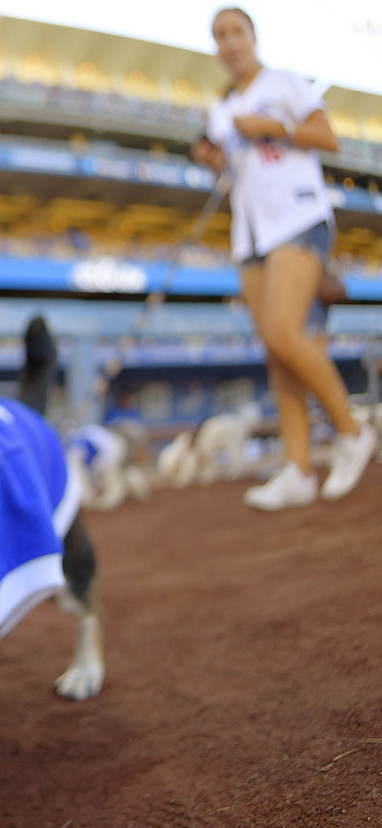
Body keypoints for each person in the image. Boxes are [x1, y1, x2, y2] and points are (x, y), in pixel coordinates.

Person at [191, 7, 375, 511]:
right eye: (219, 35)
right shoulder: (220, 108)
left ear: (252, 36)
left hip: (297, 219)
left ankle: (352, 430)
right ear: (215, 47)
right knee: (279, 352)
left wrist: (271, 125)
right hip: (250, 234)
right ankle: (297, 468)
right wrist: (216, 161)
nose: (229, 42)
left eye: (236, 32)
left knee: (282, 332)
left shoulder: (284, 83)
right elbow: (235, 174)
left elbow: (327, 137)